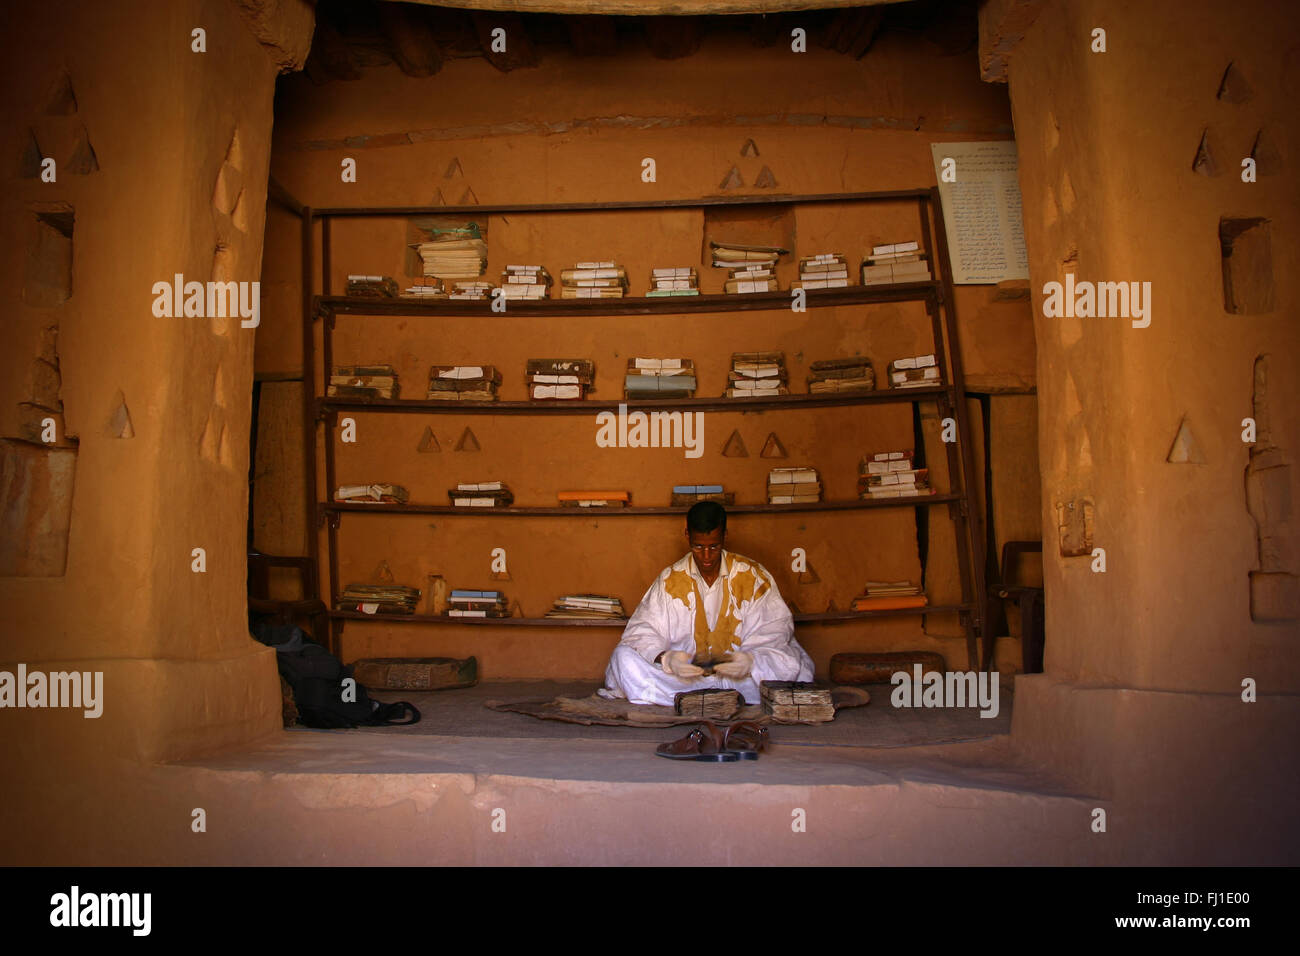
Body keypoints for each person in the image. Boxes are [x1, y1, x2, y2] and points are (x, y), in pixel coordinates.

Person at [600, 501, 814, 705]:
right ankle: (710, 697)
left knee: (792, 662)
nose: (706, 556)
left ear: (725, 536)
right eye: (698, 546)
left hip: (738, 676)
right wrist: (667, 659)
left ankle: (688, 699)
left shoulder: (752, 575)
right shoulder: (670, 580)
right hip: (685, 678)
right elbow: (641, 632)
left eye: (713, 547)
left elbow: (775, 629)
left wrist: (749, 660)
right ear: (687, 536)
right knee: (623, 657)